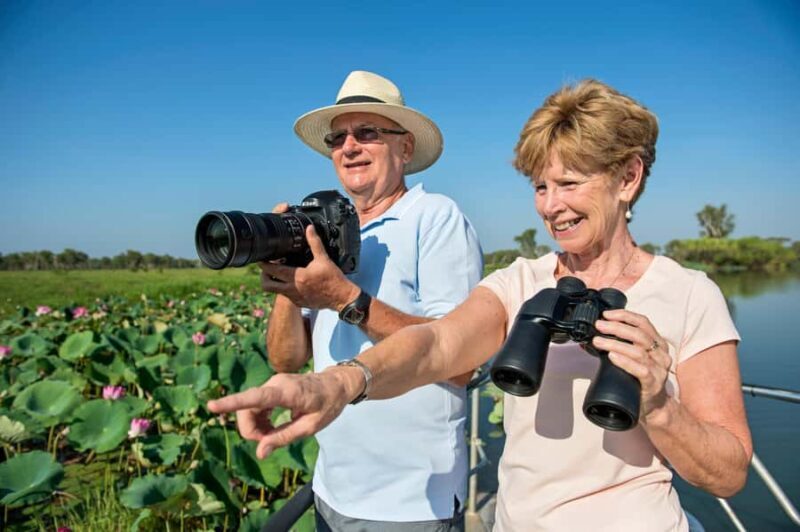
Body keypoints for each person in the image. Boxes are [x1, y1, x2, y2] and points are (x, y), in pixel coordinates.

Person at [210, 79, 752, 531]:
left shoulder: (689, 293)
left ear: (628, 178)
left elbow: (727, 474)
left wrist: (657, 404)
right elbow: (437, 344)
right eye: (540, 187)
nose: (551, 207)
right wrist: (336, 383)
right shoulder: (520, 281)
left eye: (568, 183)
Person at [256, 70, 483, 530]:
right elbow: (285, 359)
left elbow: (461, 362)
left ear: (406, 148)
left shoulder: (434, 218)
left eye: (367, 133)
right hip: (331, 487)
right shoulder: (326, 233)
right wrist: (287, 272)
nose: (349, 147)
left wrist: (344, 297)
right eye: (337, 138)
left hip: (411, 501)